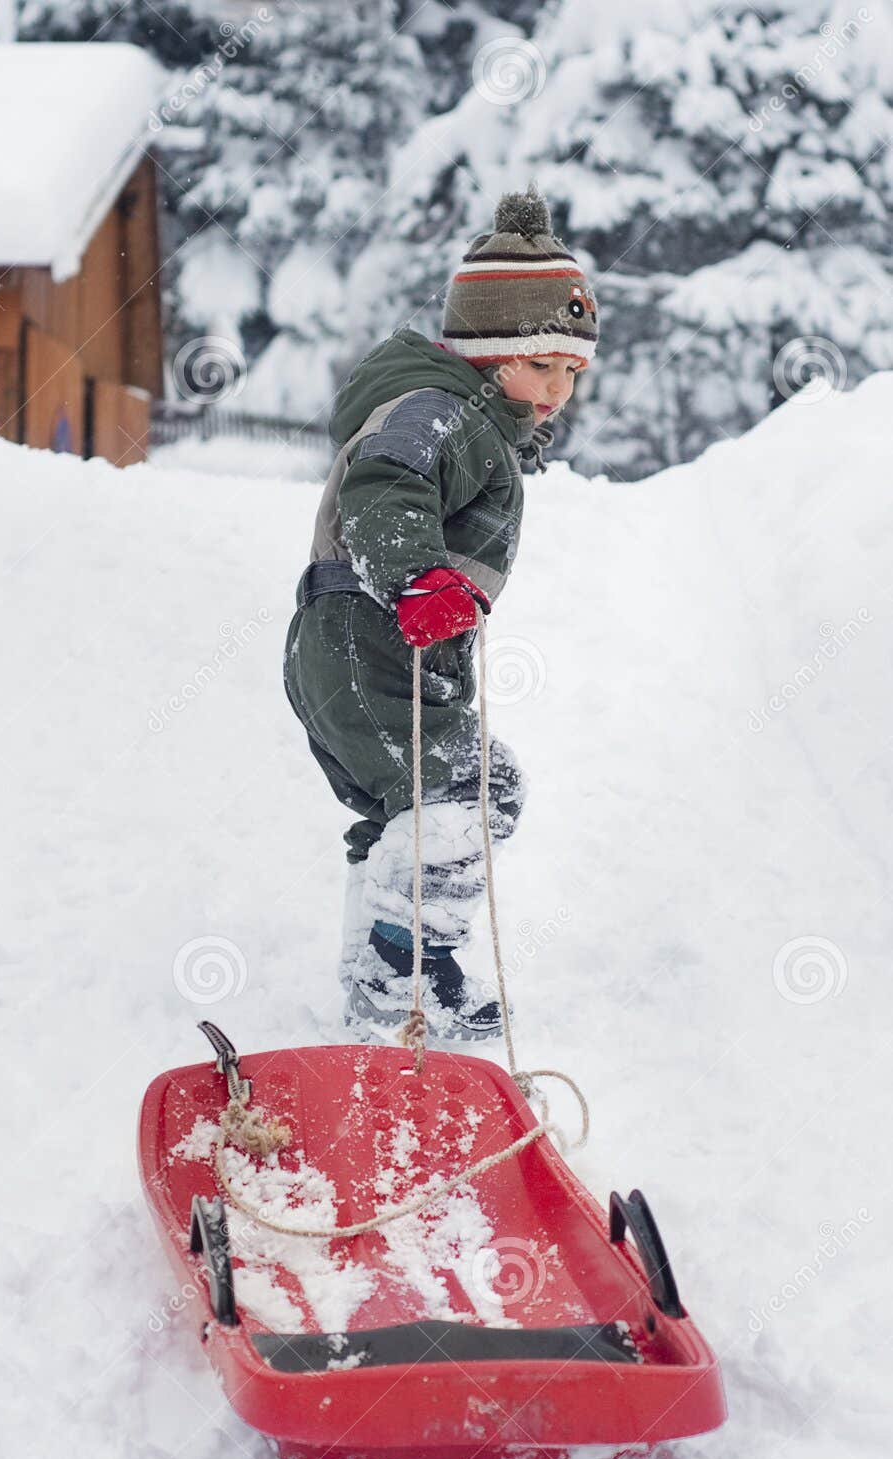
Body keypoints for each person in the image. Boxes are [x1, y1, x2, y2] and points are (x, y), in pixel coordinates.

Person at [283, 185, 599, 1040]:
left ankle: (392, 973)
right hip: (365, 636)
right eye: (542, 366)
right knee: (473, 787)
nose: (558, 390)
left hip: (376, 645)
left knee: (407, 817)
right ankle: (397, 982)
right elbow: (385, 483)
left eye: (572, 371)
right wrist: (419, 577)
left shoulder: (473, 420)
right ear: (491, 353)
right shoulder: (442, 414)